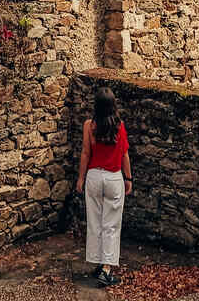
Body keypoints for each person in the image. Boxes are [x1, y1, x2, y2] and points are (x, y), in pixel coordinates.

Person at [75, 87, 132, 286]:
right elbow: (124, 154)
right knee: (111, 225)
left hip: (94, 177)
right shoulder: (120, 126)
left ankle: (99, 262)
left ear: (96, 105)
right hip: (114, 177)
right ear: (113, 105)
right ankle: (106, 269)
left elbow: (85, 153)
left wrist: (81, 178)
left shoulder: (89, 125)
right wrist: (128, 178)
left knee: (95, 222)